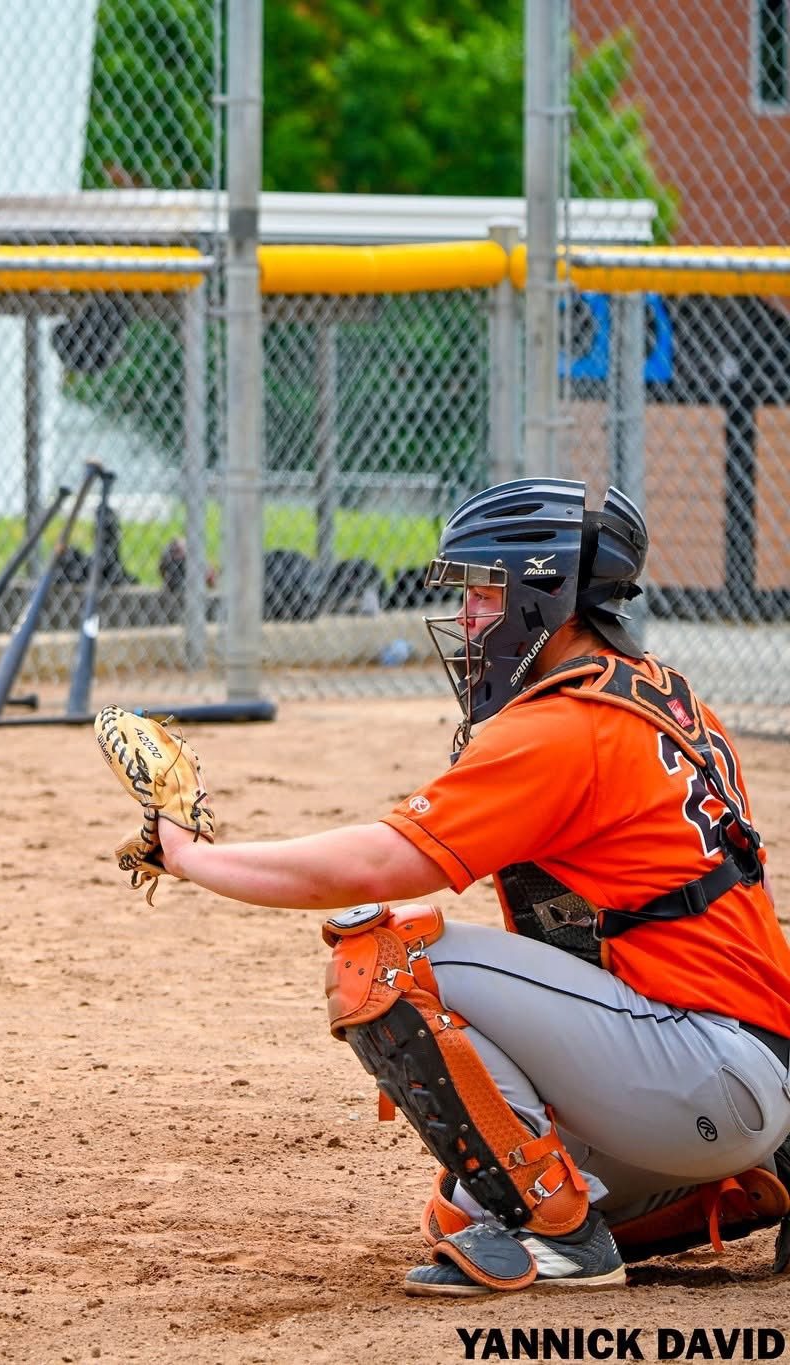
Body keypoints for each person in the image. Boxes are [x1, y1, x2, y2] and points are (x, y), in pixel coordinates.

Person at [147, 477, 790, 1296]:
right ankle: (735, 1177)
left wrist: (194, 857)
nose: (469, 616)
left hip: (701, 1069)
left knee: (386, 958)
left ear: (545, 595)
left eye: (487, 592)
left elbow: (381, 862)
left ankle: (563, 1239)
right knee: (468, 1203)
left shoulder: (568, 725)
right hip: (741, 1074)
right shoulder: (657, 691)